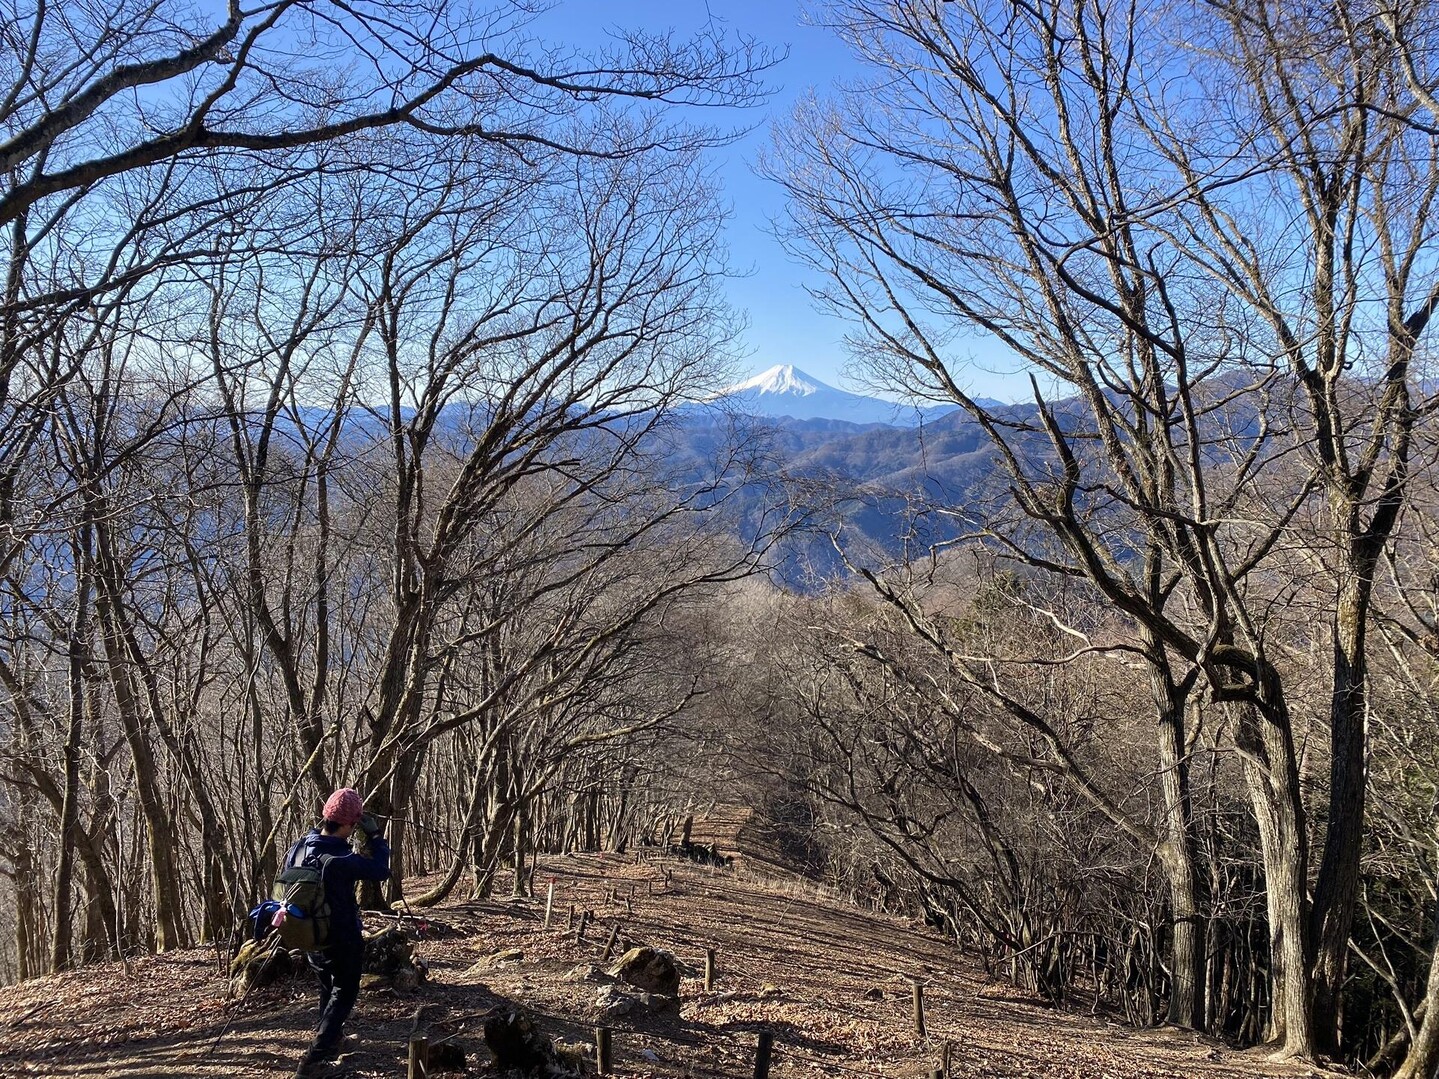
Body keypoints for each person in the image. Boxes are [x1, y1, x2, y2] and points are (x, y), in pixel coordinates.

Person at [288, 787, 390, 1078]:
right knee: (345, 992)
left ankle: (331, 1040)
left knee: (327, 988)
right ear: (347, 824)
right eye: (354, 823)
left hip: (309, 936)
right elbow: (380, 871)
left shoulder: (299, 848)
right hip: (340, 938)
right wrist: (376, 837)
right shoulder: (339, 859)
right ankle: (313, 1061)